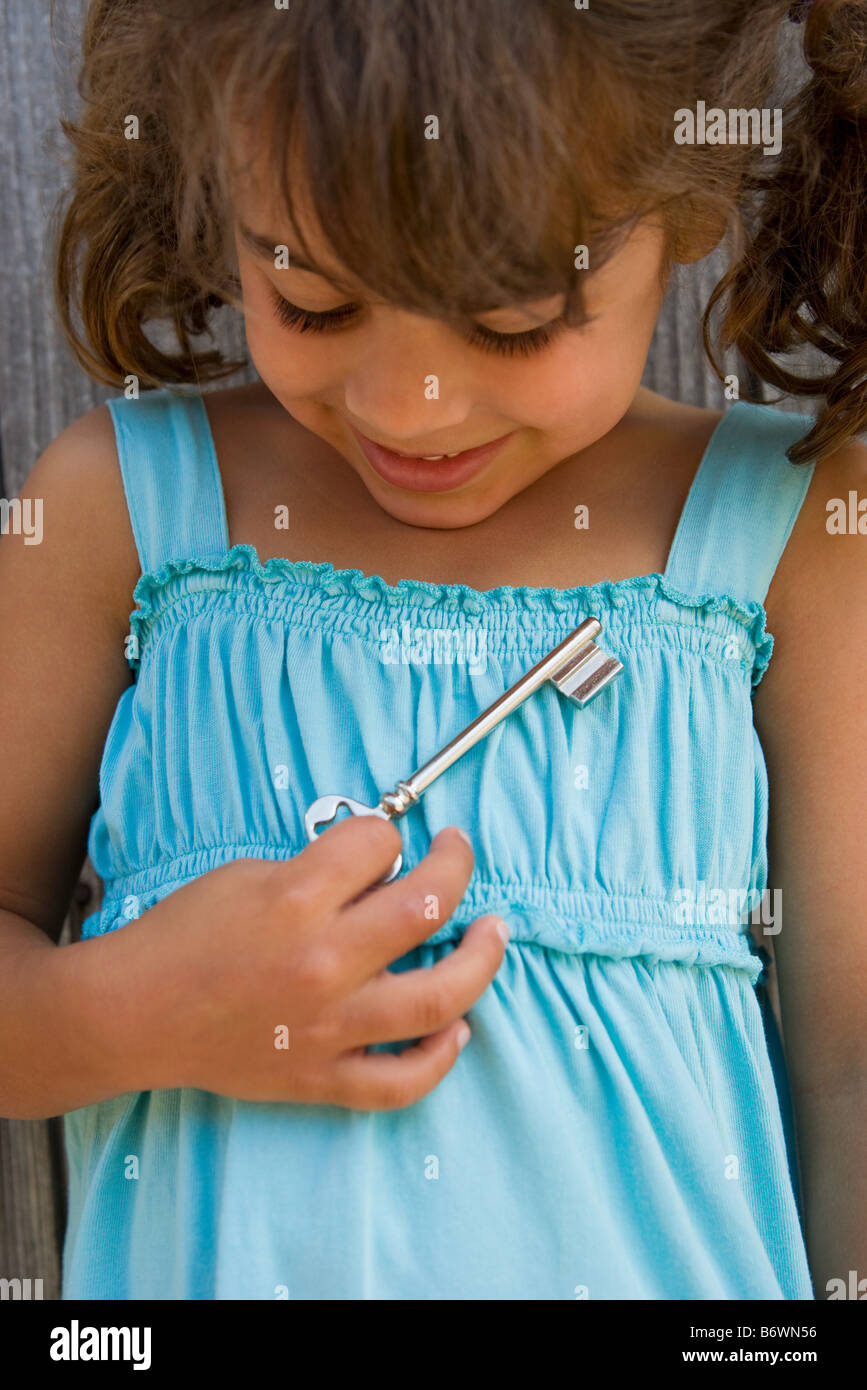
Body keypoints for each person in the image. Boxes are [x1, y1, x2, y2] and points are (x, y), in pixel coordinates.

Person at [1, 0, 864, 1299]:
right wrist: (138, 1008)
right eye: (311, 299)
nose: (410, 408)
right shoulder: (116, 512)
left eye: (511, 323)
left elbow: (850, 1063)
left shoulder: (793, 533)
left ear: (687, 205)